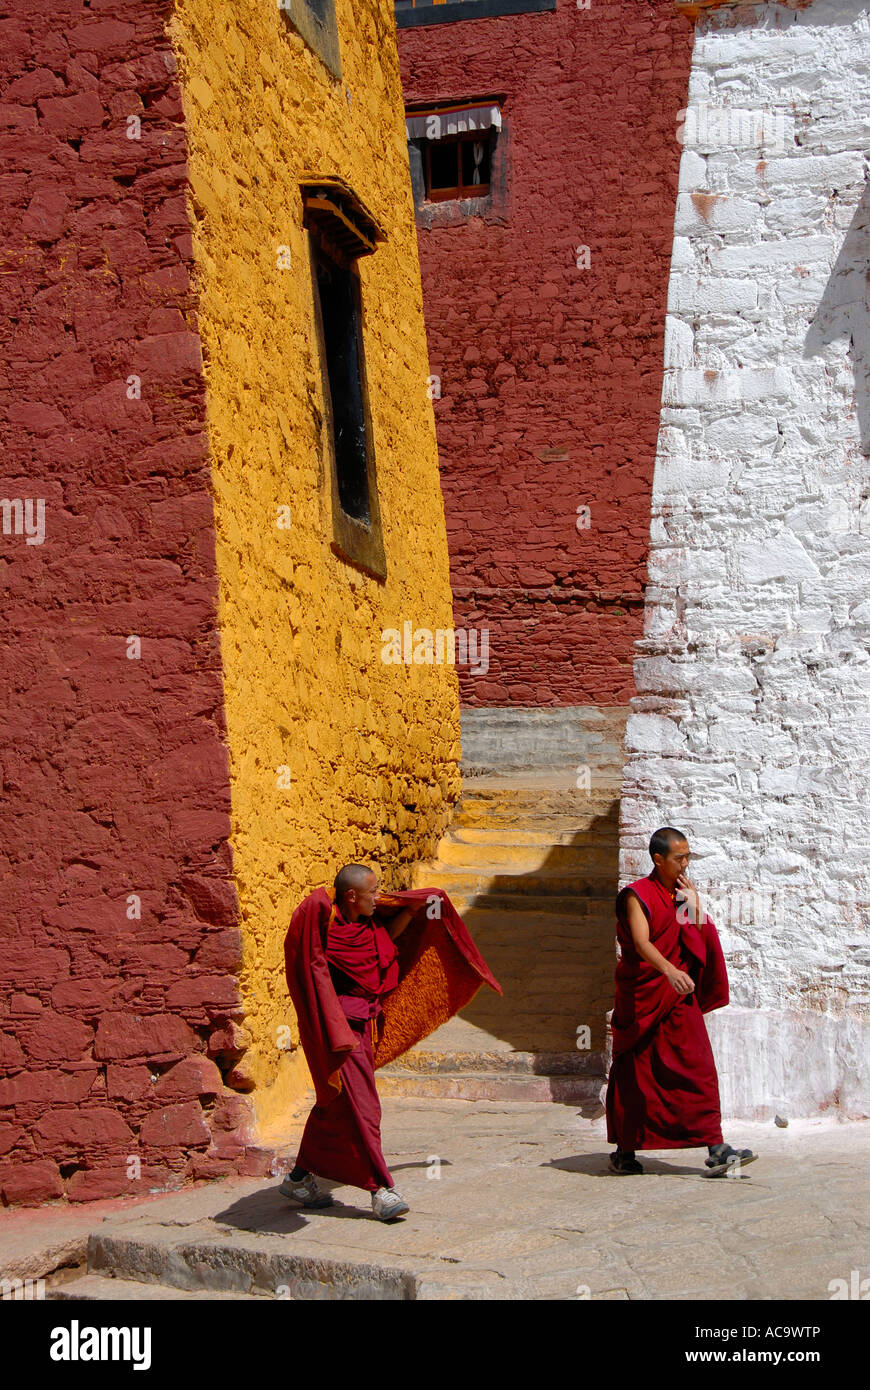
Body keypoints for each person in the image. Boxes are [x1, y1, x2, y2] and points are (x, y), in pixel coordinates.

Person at [280, 863, 501, 1220]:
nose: (378, 896)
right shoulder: (329, 925)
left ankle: (298, 1177)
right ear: (352, 895)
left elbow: (385, 944)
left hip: (363, 1024)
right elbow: (311, 970)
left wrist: (414, 910)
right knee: (365, 1109)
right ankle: (380, 1189)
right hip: (340, 1032)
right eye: (372, 892)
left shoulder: (364, 924)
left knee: (335, 1104)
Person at [605, 827, 757, 1178]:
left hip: (677, 999)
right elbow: (642, 943)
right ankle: (625, 1151)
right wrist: (669, 971)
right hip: (644, 996)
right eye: (679, 858)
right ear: (658, 859)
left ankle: (717, 1148)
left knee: (698, 1068)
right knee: (636, 1076)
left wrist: (695, 908)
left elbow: (697, 938)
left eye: (688, 856)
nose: (685, 864)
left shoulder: (680, 894)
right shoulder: (635, 895)